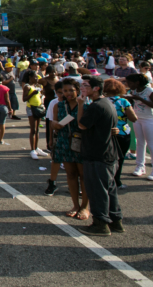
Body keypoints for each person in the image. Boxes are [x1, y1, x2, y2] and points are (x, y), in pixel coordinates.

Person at [77, 75, 122, 236]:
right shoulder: (107, 103)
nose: (82, 88)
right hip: (108, 152)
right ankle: (115, 220)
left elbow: (82, 124)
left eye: (86, 85)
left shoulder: (96, 106)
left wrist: (80, 104)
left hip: (97, 153)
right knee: (109, 188)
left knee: (97, 190)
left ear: (96, 88)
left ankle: (100, 223)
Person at [50, 78, 89, 220]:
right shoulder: (58, 106)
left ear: (77, 90)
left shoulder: (85, 105)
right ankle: (75, 205)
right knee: (71, 174)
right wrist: (55, 125)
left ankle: (85, 206)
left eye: (71, 90)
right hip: (64, 142)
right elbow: (53, 123)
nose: (68, 93)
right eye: (65, 91)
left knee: (84, 176)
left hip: (81, 143)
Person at [125, 73, 153, 181]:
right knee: (140, 143)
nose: (128, 85)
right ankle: (140, 167)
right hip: (138, 119)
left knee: (152, 145)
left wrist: (139, 99)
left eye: (130, 83)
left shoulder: (150, 91)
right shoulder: (134, 90)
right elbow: (132, 103)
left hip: (150, 120)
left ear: (137, 82)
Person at [44, 81, 65, 196]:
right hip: (58, 136)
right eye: (60, 92)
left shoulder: (76, 103)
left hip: (73, 137)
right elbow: (51, 123)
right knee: (56, 160)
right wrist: (50, 139)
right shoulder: (54, 103)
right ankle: (52, 182)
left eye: (66, 92)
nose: (63, 95)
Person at [22, 70, 48, 160]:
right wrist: (33, 93)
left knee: (37, 130)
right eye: (35, 77)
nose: (37, 79)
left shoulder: (36, 86)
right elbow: (24, 99)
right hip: (31, 108)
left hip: (38, 108)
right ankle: (32, 150)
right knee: (33, 129)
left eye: (37, 77)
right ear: (30, 77)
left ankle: (36, 148)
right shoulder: (27, 87)